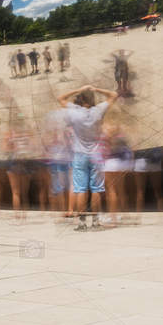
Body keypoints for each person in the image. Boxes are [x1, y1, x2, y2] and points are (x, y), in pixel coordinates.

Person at [56, 84, 119, 229]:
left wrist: (79, 89)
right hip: (96, 154)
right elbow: (113, 95)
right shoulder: (98, 111)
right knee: (96, 188)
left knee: (80, 189)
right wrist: (96, 89)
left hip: (80, 154)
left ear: (81, 99)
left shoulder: (74, 111)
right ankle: (96, 221)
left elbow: (61, 98)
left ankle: (82, 222)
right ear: (92, 99)